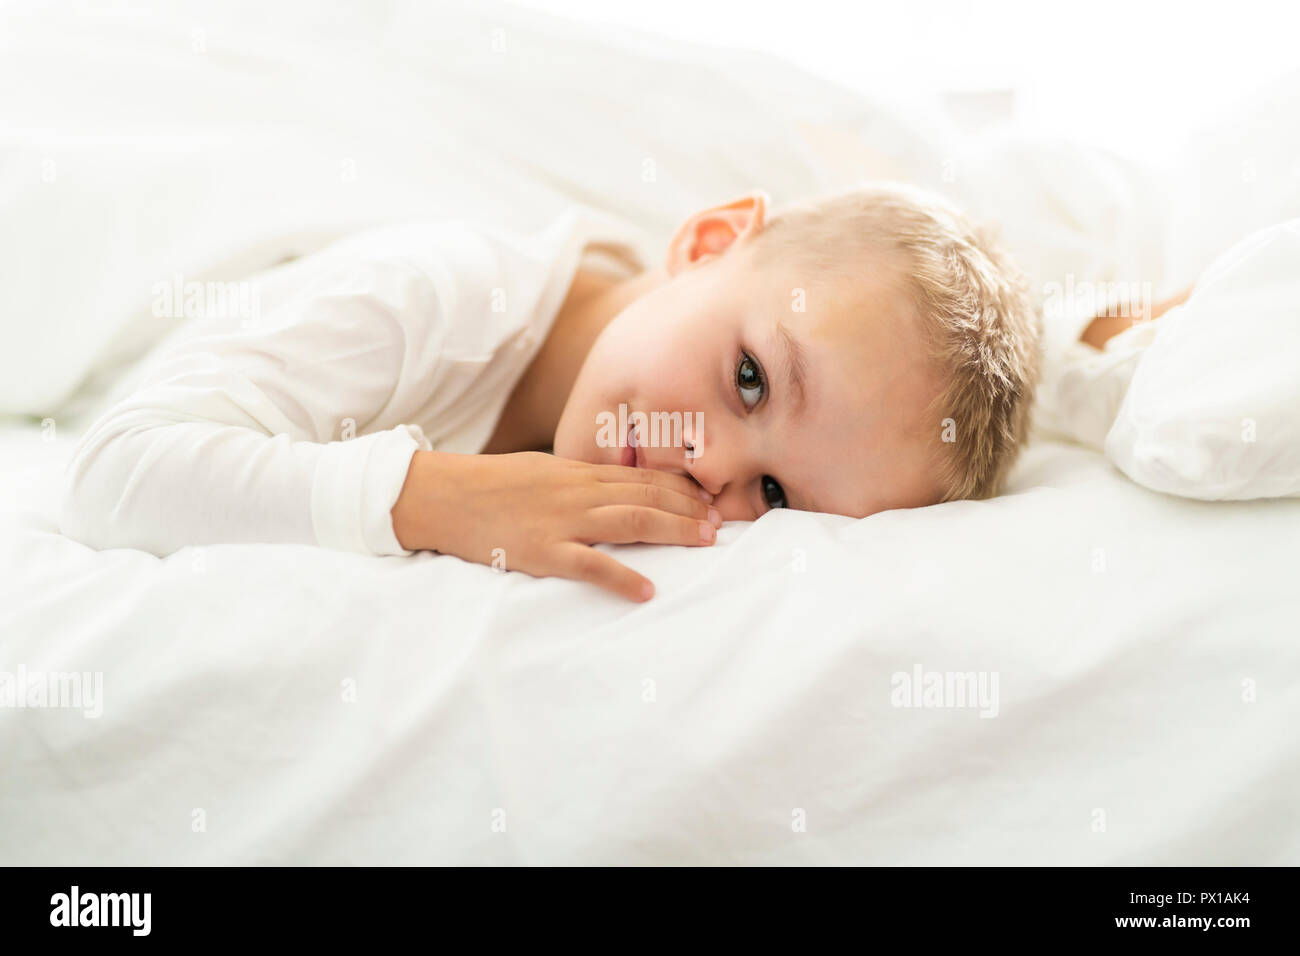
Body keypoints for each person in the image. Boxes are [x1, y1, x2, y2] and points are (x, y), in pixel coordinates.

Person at [61, 183, 1068, 601]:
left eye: (773, 495)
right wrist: (436, 496)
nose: (710, 463)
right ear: (708, 242)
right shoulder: (436, 296)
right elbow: (116, 469)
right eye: (750, 379)